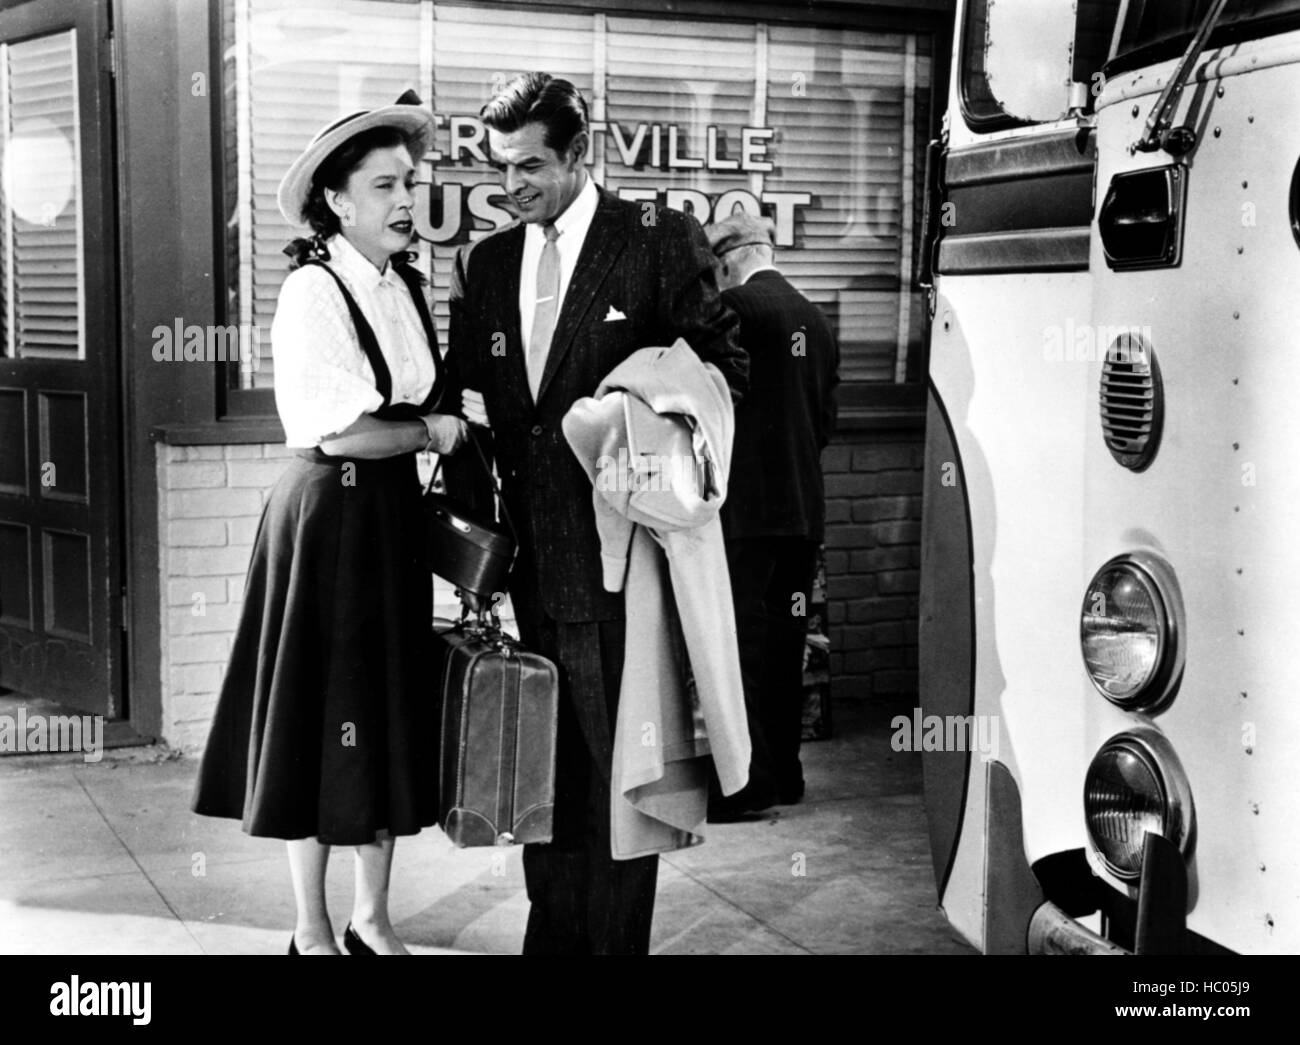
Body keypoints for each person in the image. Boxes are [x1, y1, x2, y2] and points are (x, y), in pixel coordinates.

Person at [443, 72, 746, 955]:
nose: (512, 186)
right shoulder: (488, 261)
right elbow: (472, 398)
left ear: (581, 154)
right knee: (544, 770)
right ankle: (554, 935)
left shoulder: (654, 239)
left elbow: (725, 374)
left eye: (531, 166)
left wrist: (630, 417)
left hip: (620, 564)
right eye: (500, 169)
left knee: (619, 776)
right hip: (526, 569)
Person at [191, 92, 467, 956]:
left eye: (410, 184)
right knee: (320, 717)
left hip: (385, 521)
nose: (404, 201)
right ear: (338, 202)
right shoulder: (315, 290)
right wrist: (430, 431)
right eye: (385, 185)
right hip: (326, 523)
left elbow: (426, 395)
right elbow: (341, 428)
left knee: (378, 712)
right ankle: (310, 928)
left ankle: (372, 917)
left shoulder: (404, 287)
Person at [702, 213, 840, 821]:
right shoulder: (816, 319)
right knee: (786, 644)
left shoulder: (733, 309)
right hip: (802, 514)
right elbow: (826, 422)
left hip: (745, 516)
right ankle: (786, 773)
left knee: (740, 645)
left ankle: (746, 785)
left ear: (729, 259)